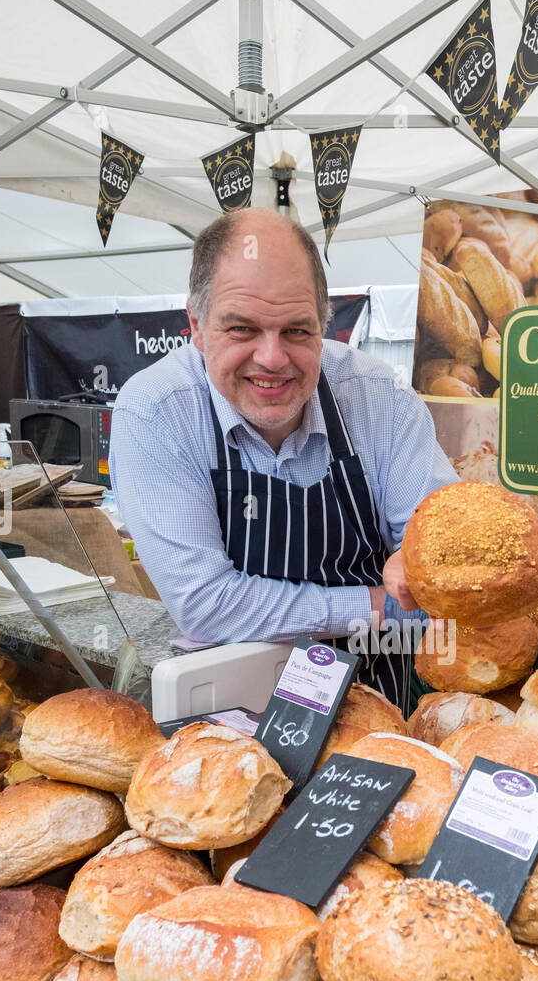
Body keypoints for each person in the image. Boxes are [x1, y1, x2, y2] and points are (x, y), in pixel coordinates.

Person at [110, 207, 457, 710]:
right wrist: (373, 605)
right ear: (197, 327)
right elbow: (205, 605)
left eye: (296, 330)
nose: (272, 359)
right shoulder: (156, 411)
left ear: (325, 325)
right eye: (242, 329)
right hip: (226, 712)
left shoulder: (380, 400)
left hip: (376, 708)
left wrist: (425, 564)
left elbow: (442, 571)